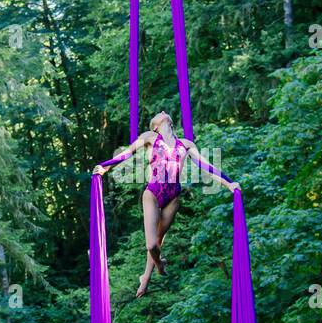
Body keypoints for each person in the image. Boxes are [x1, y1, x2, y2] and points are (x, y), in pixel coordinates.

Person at [93, 110, 238, 297]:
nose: (162, 111)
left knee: (159, 240)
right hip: (153, 193)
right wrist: (105, 167)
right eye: (159, 114)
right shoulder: (150, 137)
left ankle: (145, 278)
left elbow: (207, 166)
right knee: (152, 246)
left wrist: (229, 184)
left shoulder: (186, 144)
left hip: (173, 196)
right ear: (155, 126)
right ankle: (158, 264)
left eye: (164, 112)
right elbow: (126, 154)